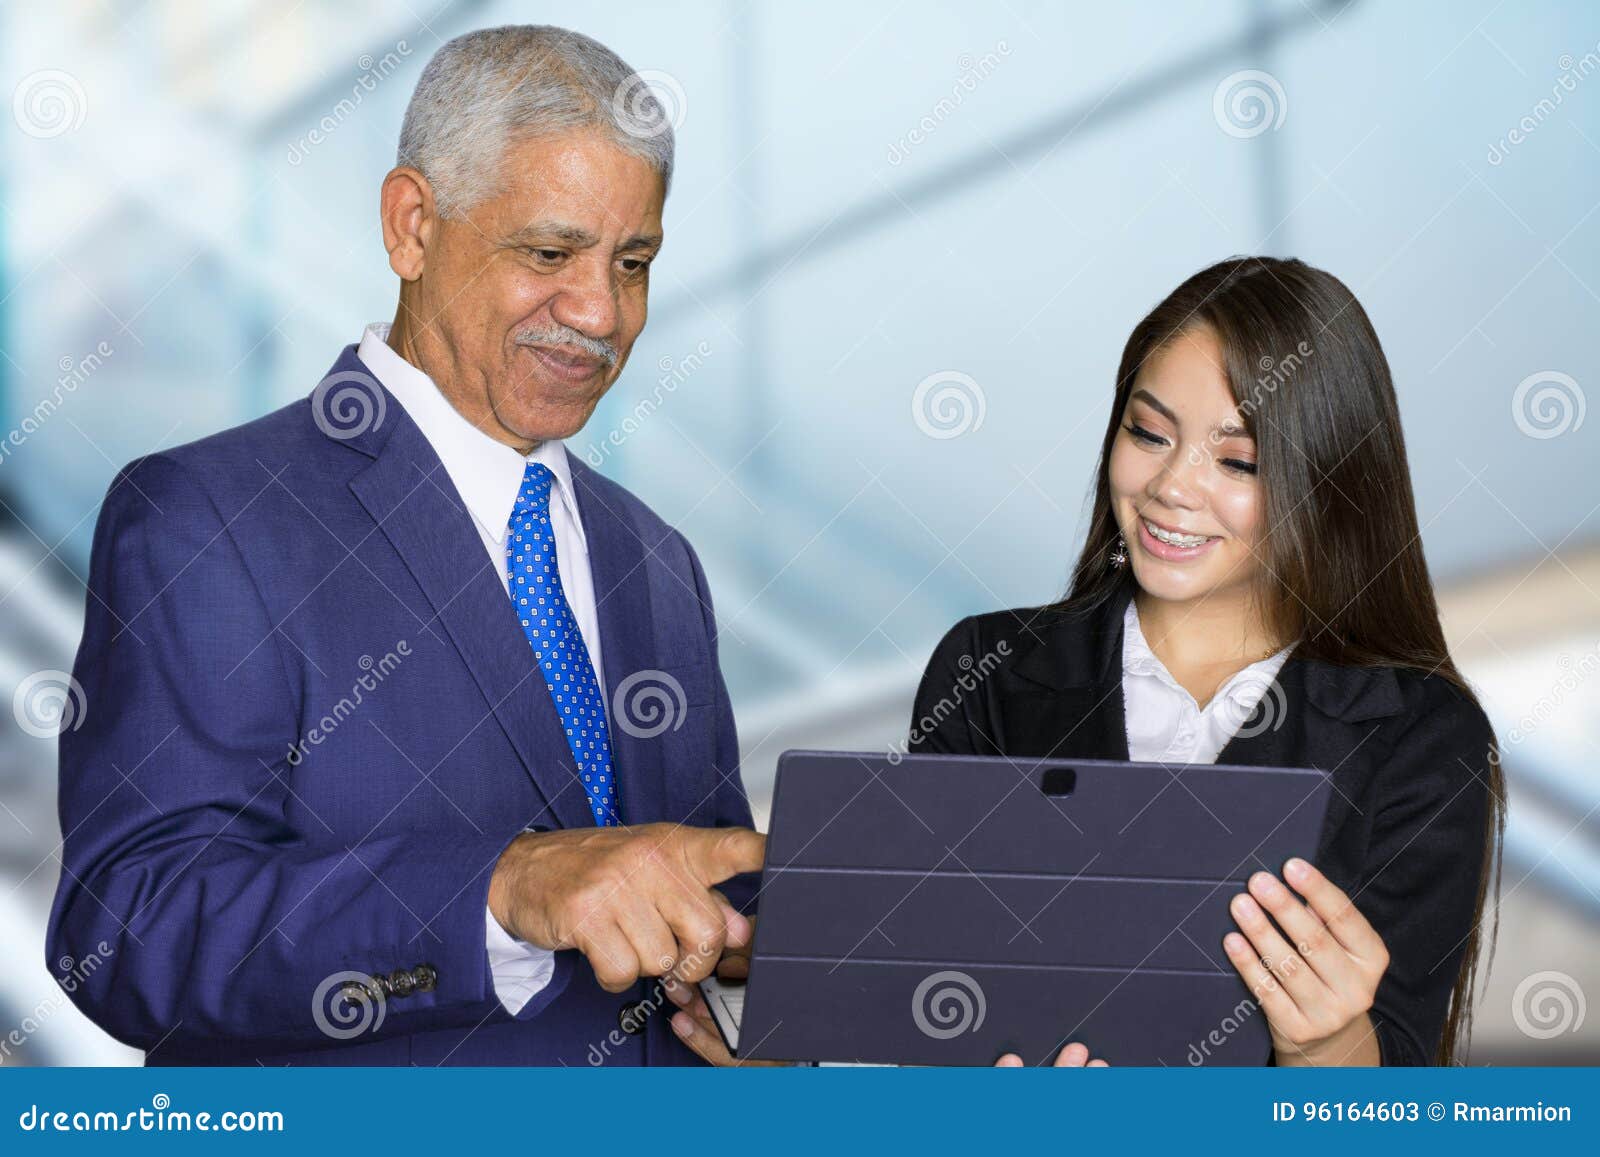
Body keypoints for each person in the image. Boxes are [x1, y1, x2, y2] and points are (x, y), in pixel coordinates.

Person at [47, 25, 763, 1067]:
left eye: (634, 261)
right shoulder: (208, 516)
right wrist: (501, 889)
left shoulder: (655, 557)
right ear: (414, 225)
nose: (601, 310)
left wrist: (811, 934)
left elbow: (697, 890)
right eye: (551, 252)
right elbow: (126, 930)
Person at [911, 256, 1504, 1067]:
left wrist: (1329, 1039)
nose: (1172, 487)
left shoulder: (1421, 737)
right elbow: (919, 1008)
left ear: (1329, 479)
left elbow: (1388, 1107)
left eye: (1238, 461)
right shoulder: (986, 674)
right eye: (1148, 433)